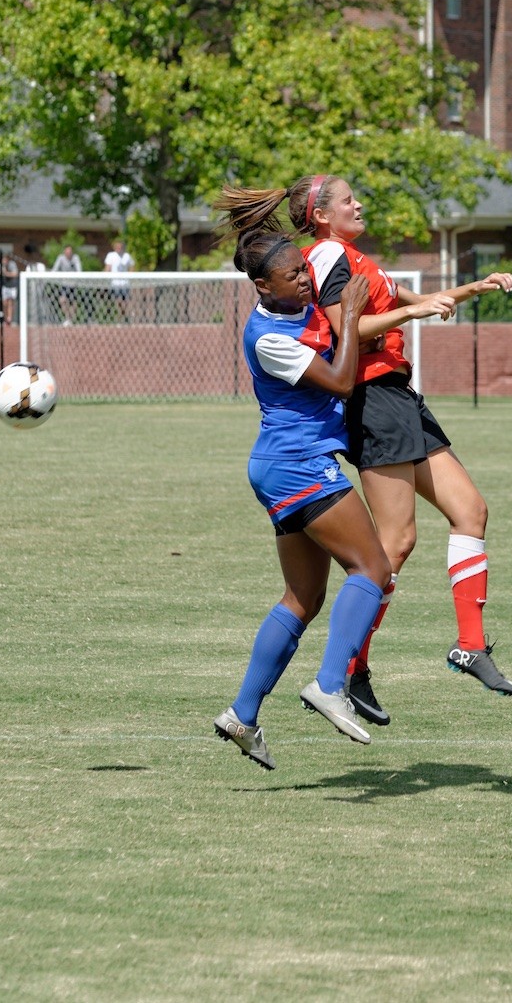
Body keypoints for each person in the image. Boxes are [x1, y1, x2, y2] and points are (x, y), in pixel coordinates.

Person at [288, 175, 512, 721]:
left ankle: (470, 646)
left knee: (471, 511)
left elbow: (418, 301)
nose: (358, 204)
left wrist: (475, 288)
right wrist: (414, 312)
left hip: (399, 395)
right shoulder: (326, 255)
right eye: (348, 199)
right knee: (394, 543)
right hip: (373, 399)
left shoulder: (357, 259)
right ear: (321, 215)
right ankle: (348, 669)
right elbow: (349, 327)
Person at [208, 188, 394, 769]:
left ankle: (242, 714)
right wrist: (354, 314)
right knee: (373, 568)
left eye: (303, 270)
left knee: (303, 598)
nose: (306, 280)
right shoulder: (267, 337)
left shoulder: (297, 306)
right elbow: (340, 381)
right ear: (264, 287)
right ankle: (330, 684)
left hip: (285, 466)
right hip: (298, 465)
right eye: (293, 276)